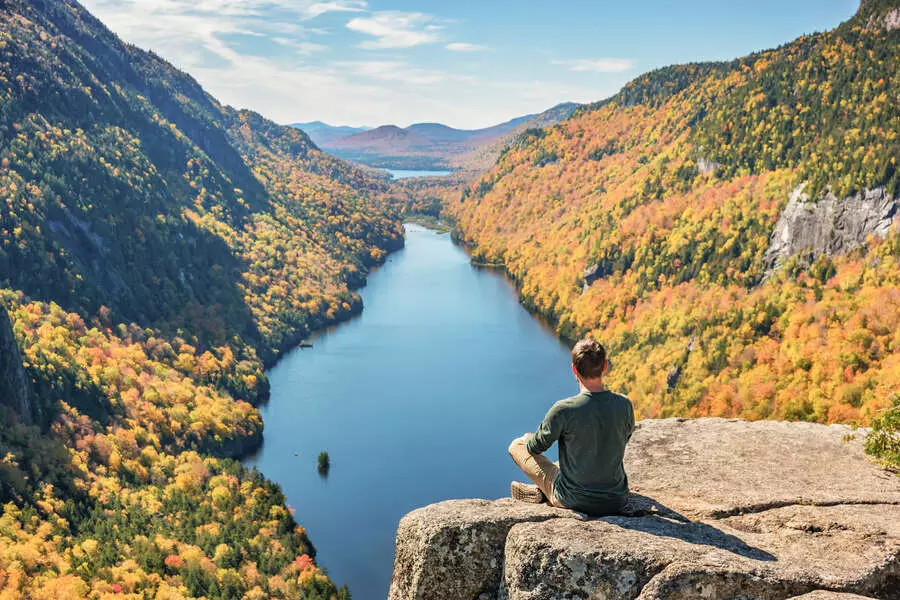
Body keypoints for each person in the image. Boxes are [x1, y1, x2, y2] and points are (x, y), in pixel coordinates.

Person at [508, 338, 634, 516]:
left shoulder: (564, 409)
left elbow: (536, 446)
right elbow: (624, 438)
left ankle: (545, 491)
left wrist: (529, 438)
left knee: (517, 445)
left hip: (571, 498)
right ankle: (544, 490)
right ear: (605, 366)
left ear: (574, 370)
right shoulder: (624, 405)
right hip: (616, 500)